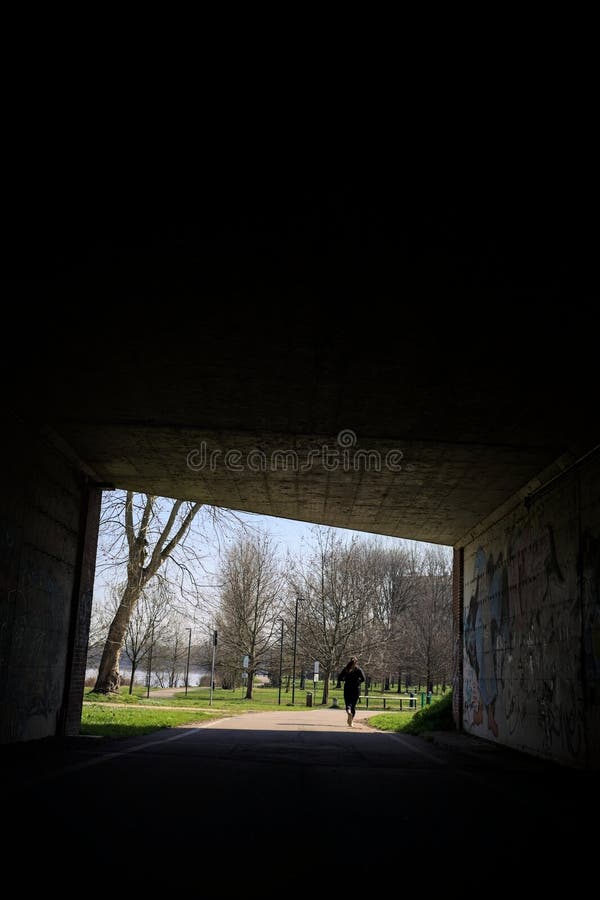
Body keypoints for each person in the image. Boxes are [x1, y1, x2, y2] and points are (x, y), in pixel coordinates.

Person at [338, 656, 365, 726]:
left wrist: (345, 679)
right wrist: (358, 681)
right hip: (356, 689)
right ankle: (351, 721)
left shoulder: (346, 669)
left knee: (348, 704)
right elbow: (363, 679)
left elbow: (339, 678)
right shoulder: (358, 670)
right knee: (353, 705)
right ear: (356, 662)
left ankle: (349, 712)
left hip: (347, 688)